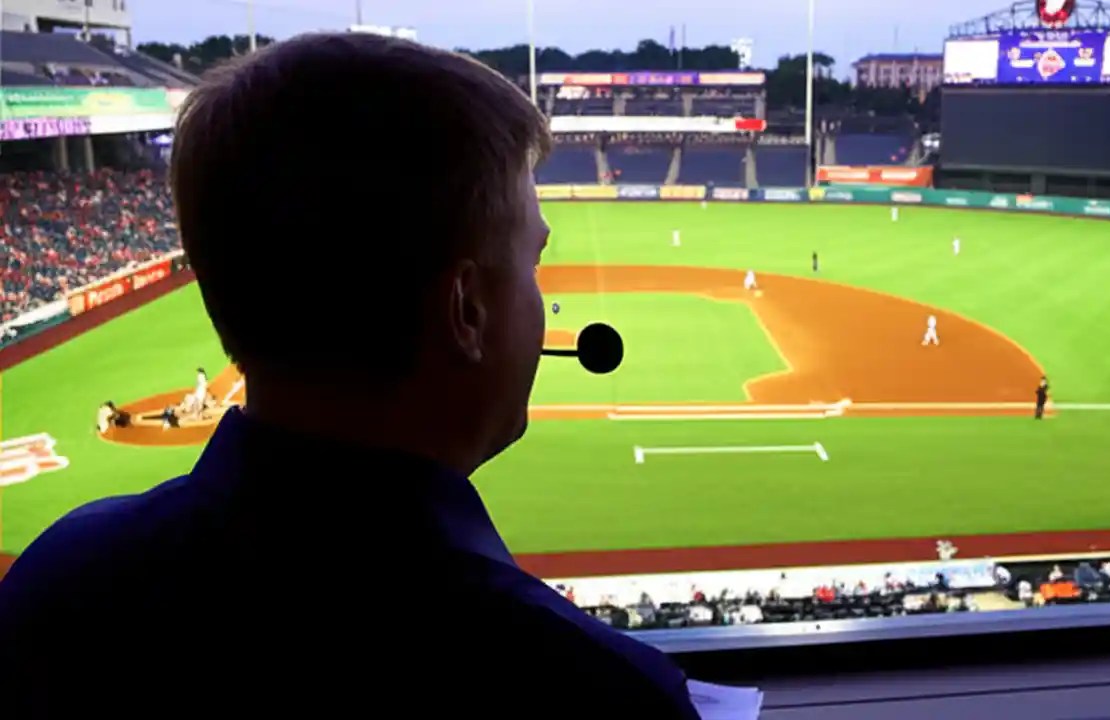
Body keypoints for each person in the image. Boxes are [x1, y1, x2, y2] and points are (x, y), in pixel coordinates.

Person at [0, 33, 700, 719]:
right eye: (532, 260)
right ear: (466, 309)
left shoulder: (55, 585)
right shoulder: (588, 688)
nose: (538, 293)